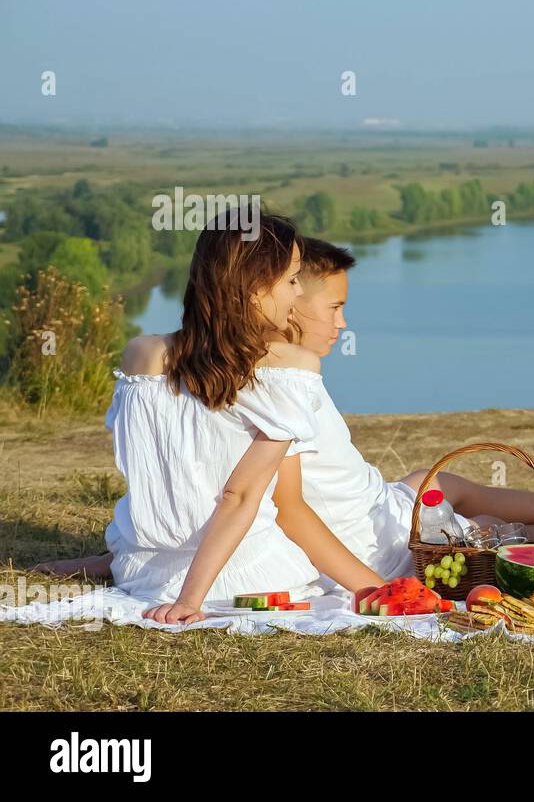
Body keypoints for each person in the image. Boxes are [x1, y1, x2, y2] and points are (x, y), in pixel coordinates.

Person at [35, 237, 534, 587]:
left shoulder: (170, 360)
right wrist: (376, 592)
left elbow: (183, 473)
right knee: (462, 517)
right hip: (366, 532)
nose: (341, 324)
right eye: (330, 306)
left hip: (359, 507)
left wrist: (122, 557)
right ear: (279, 303)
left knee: (429, 485)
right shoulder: (283, 375)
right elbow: (271, 502)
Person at [105, 212, 387, 625]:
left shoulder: (142, 355)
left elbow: (153, 484)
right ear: (256, 288)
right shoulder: (290, 369)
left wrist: (120, 562)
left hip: (140, 571)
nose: (297, 295)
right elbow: (252, 500)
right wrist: (380, 591)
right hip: (245, 577)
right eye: (292, 280)